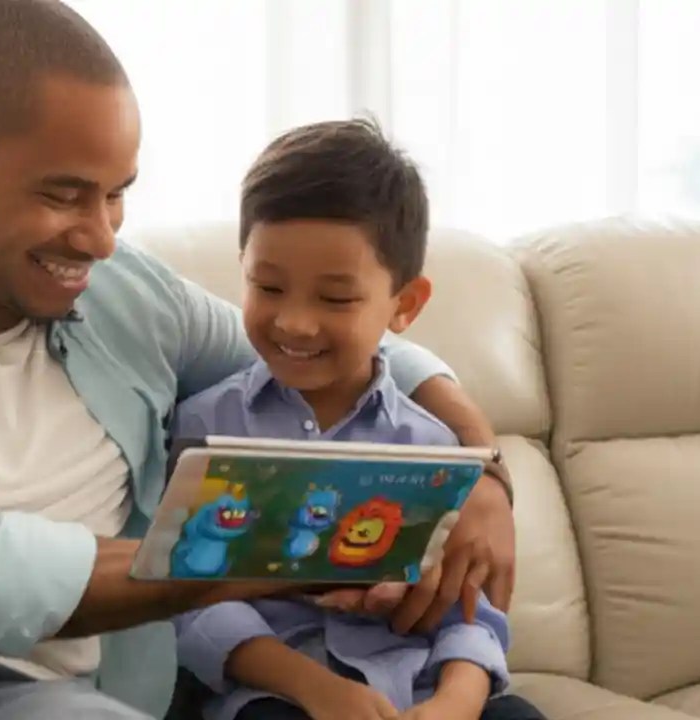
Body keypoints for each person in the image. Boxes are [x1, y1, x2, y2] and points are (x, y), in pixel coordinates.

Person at [0, 1, 517, 718]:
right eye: (65, 195)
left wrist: (484, 473)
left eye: (116, 195)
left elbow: (327, 349)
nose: (102, 238)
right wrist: (287, 558)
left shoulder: (127, 298)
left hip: (28, 692)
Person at [168, 120, 544, 720]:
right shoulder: (207, 428)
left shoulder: (429, 446)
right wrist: (317, 690)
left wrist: (456, 701)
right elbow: (186, 602)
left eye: (335, 299)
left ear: (405, 305)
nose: (294, 322)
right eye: (267, 286)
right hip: (274, 695)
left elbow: (471, 614)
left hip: (415, 684)